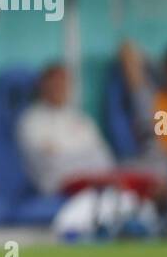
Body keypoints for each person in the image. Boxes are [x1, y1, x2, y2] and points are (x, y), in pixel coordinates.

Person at [16, 62, 116, 195]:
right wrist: (81, 157)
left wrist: (72, 157)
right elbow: (49, 161)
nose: (60, 88)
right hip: (56, 184)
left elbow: (102, 155)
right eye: (55, 84)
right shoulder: (31, 121)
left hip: (92, 181)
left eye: (64, 84)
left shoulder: (80, 119)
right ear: (43, 86)